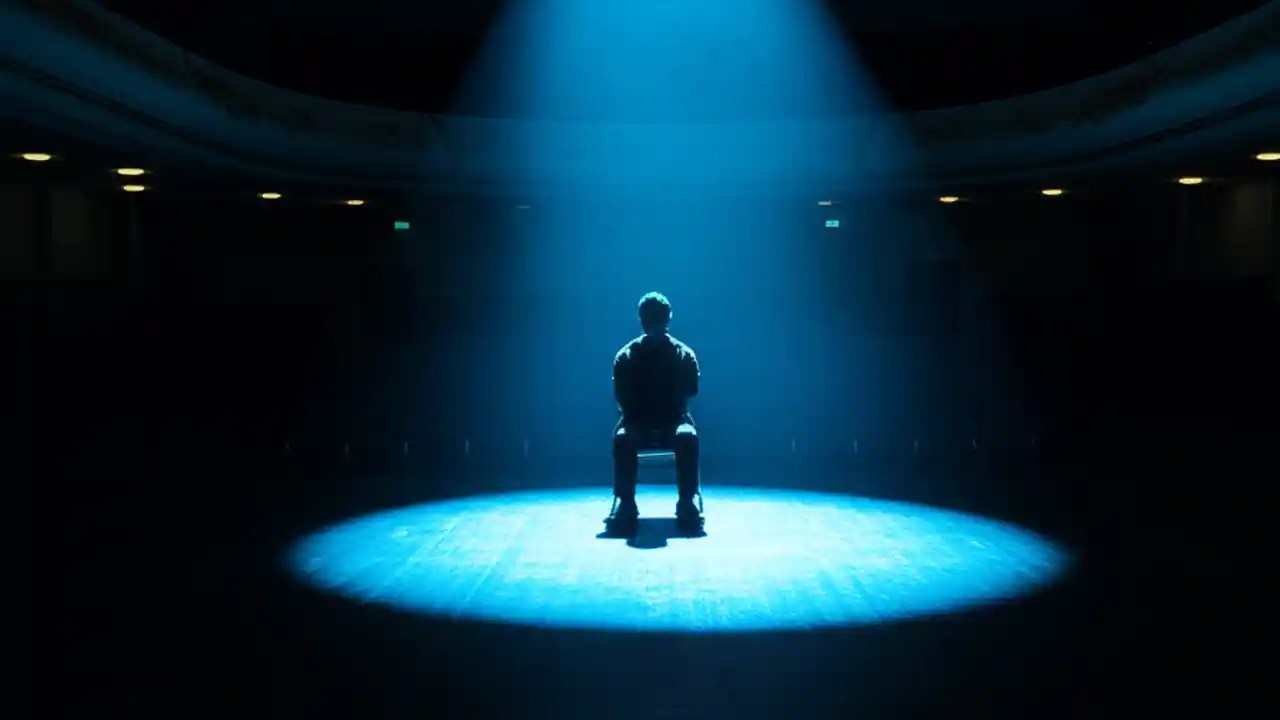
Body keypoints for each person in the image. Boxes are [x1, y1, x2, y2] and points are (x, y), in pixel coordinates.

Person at [607, 292, 701, 529]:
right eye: (651, 317)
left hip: (673, 420)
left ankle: (687, 501)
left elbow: (691, 391)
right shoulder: (626, 356)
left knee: (687, 436)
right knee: (624, 438)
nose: (655, 322)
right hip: (636, 421)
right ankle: (626, 502)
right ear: (642, 320)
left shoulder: (684, 355)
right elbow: (622, 396)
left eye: (658, 317)